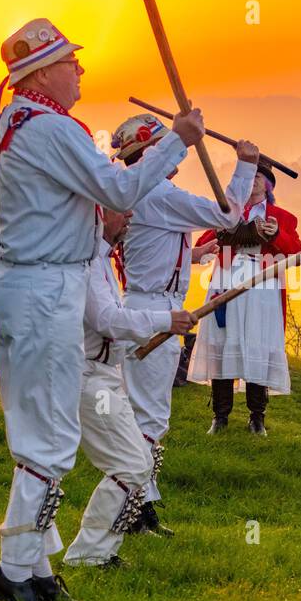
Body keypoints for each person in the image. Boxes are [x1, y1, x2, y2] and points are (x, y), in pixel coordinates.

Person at [0, 17, 205, 601]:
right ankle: (17, 573)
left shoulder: (8, 125)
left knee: (36, 435)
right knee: (50, 439)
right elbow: (119, 193)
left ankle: (35, 567)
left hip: (19, 285)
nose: (80, 70)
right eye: (71, 61)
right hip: (48, 290)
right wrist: (179, 140)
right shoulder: (49, 126)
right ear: (43, 71)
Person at [111, 113, 259, 533]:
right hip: (155, 312)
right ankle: (130, 508)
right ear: (151, 152)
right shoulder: (157, 193)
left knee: (147, 415)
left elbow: (154, 249)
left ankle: (142, 503)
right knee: (149, 419)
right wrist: (246, 163)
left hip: (149, 307)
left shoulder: (147, 194)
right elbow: (228, 215)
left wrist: (190, 257)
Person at [63, 207, 196, 566]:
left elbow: (110, 328)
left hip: (105, 374)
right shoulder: (88, 261)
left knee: (135, 462)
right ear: (100, 214)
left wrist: (141, 342)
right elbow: (106, 320)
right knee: (130, 464)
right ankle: (88, 553)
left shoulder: (103, 260)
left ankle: (96, 551)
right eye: (122, 211)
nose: (130, 217)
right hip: (88, 377)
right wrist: (164, 319)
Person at [190, 164, 301, 435]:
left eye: (259, 176)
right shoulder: (227, 211)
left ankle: (257, 418)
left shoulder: (283, 217)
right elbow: (204, 245)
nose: (252, 181)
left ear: (269, 185)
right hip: (226, 277)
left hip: (263, 283)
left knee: (258, 342)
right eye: (249, 176)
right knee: (223, 340)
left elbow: (298, 254)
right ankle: (220, 416)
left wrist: (276, 234)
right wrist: (221, 231)